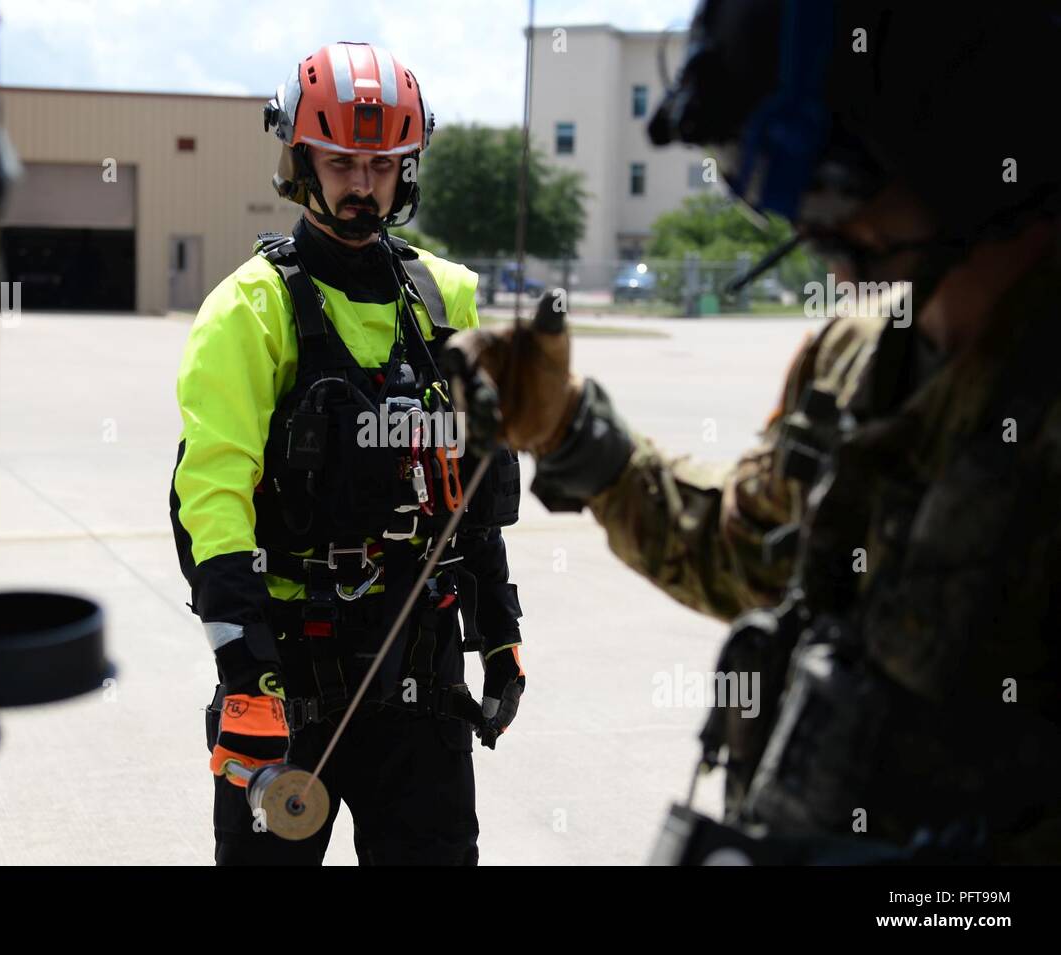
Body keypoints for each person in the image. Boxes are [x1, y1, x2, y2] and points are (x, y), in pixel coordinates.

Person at [444, 0, 1061, 862]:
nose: (807, 227)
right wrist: (575, 435)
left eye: (829, 182)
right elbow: (745, 552)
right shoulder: (855, 361)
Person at [169, 42, 525, 865]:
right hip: (290, 671)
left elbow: (468, 485)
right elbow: (213, 496)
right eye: (340, 162)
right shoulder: (249, 312)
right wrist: (245, 677)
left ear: (406, 169)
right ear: (300, 162)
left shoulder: (449, 299)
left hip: (422, 674)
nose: (362, 184)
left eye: (381, 164)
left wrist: (500, 632)